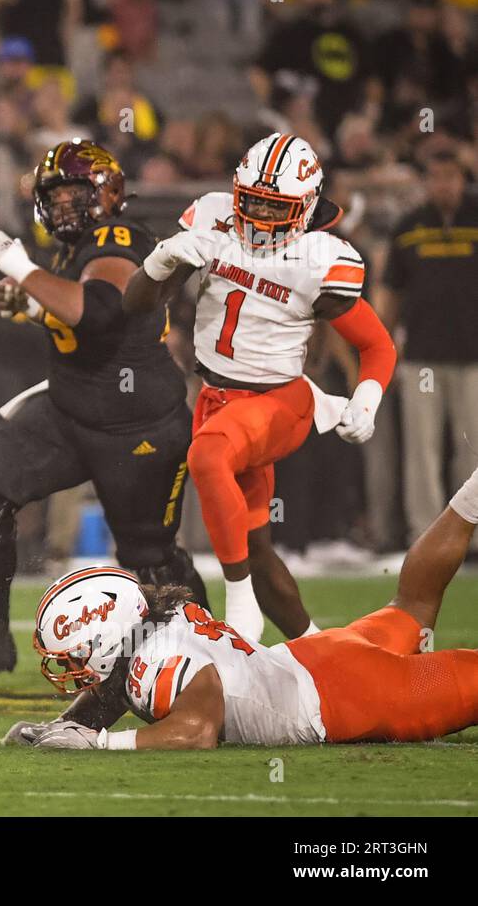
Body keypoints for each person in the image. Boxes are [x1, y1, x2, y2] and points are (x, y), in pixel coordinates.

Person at [0, 139, 205, 678]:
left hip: (137, 424)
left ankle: (210, 652)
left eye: (75, 192)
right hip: (72, 408)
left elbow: (96, 312)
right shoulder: (75, 250)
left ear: (107, 193)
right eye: (55, 194)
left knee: (150, 562)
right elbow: (83, 325)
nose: (63, 204)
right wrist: (31, 304)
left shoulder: (119, 237)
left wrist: (16, 262)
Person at [124, 133, 396, 641]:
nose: (263, 219)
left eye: (278, 208)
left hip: (278, 401)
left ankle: (239, 603)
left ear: (307, 207)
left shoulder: (319, 257)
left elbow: (377, 346)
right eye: (254, 203)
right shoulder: (212, 220)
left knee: (207, 458)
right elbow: (134, 306)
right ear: (236, 192)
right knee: (256, 547)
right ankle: (319, 650)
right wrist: (160, 261)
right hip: (215, 398)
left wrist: (368, 398)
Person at [9, 458, 478, 749]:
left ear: (107, 635)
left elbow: (195, 732)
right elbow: (112, 693)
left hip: (343, 696)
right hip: (319, 659)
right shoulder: (154, 623)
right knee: (412, 606)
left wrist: (101, 744)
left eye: (73, 653)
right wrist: (58, 729)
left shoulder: (154, 663)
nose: (67, 665)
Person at [379, 151, 478, 545]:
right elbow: (389, 294)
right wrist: (382, 350)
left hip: (473, 357)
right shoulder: (408, 227)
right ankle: (426, 535)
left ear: (462, 177)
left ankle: (468, 537)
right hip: (421, 359)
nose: (443, 185)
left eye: (450, 176)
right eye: (436, 176)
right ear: (426, 181)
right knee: (423, 452)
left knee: (471, 451)